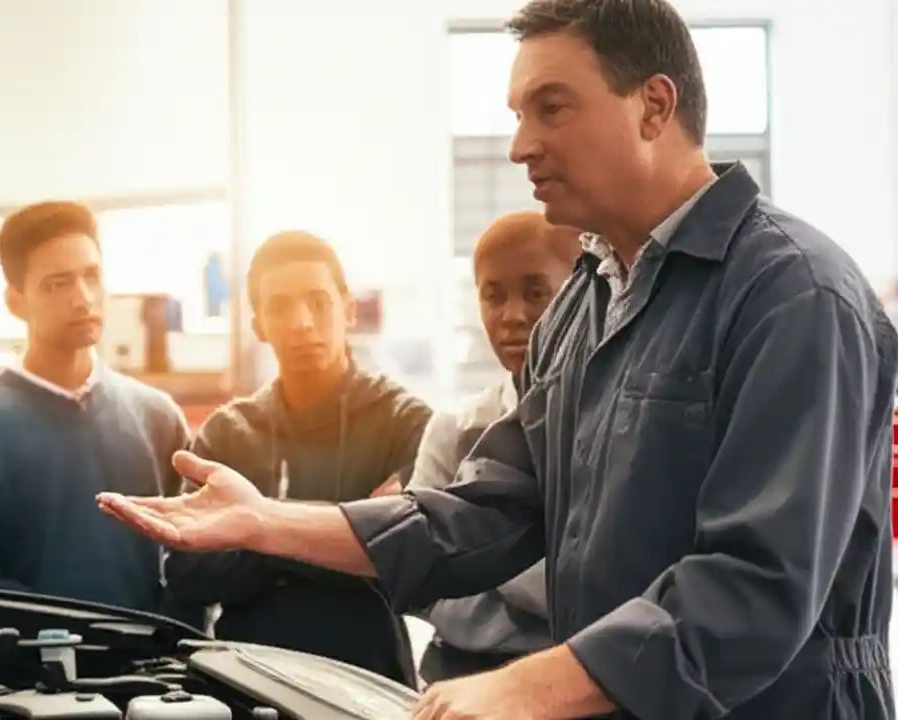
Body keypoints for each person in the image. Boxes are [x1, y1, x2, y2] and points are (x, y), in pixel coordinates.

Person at [97, 0, 898, 717]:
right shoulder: (588, 300)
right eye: (518, 113)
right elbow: (488, 509)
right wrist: (270, 521)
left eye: (552, 108)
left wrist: (527, 682)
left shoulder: (794, 295)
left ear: (655, 104)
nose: (520, 146)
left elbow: (756, 585)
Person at [163, 231, 432, 685]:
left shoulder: (405, 422)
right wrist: (347, 528)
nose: (302, 322)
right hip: (249, 683)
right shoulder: (228, 434)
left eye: (318, 302)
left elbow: (406, 562)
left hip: (370, 683)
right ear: (259, 324)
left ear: (348, 309)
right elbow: (189, 573)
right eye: (280, 306)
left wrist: (252, 531)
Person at [0, 201, 199, 625]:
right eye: (57, 284)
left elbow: (190, 566)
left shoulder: (156, 416)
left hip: (154, 678)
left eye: (92, 276)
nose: (83, 298)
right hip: (26, 681)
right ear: (16, 301)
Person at [410, 212, 580, 682]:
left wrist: (474, 558)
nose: (513, 316)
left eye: (535, 292)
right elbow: (419, 578)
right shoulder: (455, 429)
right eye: (493, 295)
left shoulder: (607, 427)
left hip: (577, 684)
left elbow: (605, 593)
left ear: (581, 293)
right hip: (457, 676)